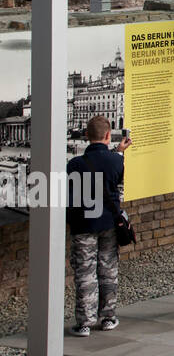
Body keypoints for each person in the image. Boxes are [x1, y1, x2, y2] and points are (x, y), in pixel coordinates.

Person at [66, 116, 130, 336]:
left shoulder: (74, 164)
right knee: (108, 270)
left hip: (83, 224)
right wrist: (119, 151)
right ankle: (108, 317)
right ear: (107, 135)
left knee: (85, 273)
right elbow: (115, 180)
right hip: (109, 223)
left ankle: (84, 323)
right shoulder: (117, 161)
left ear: (85, 136)